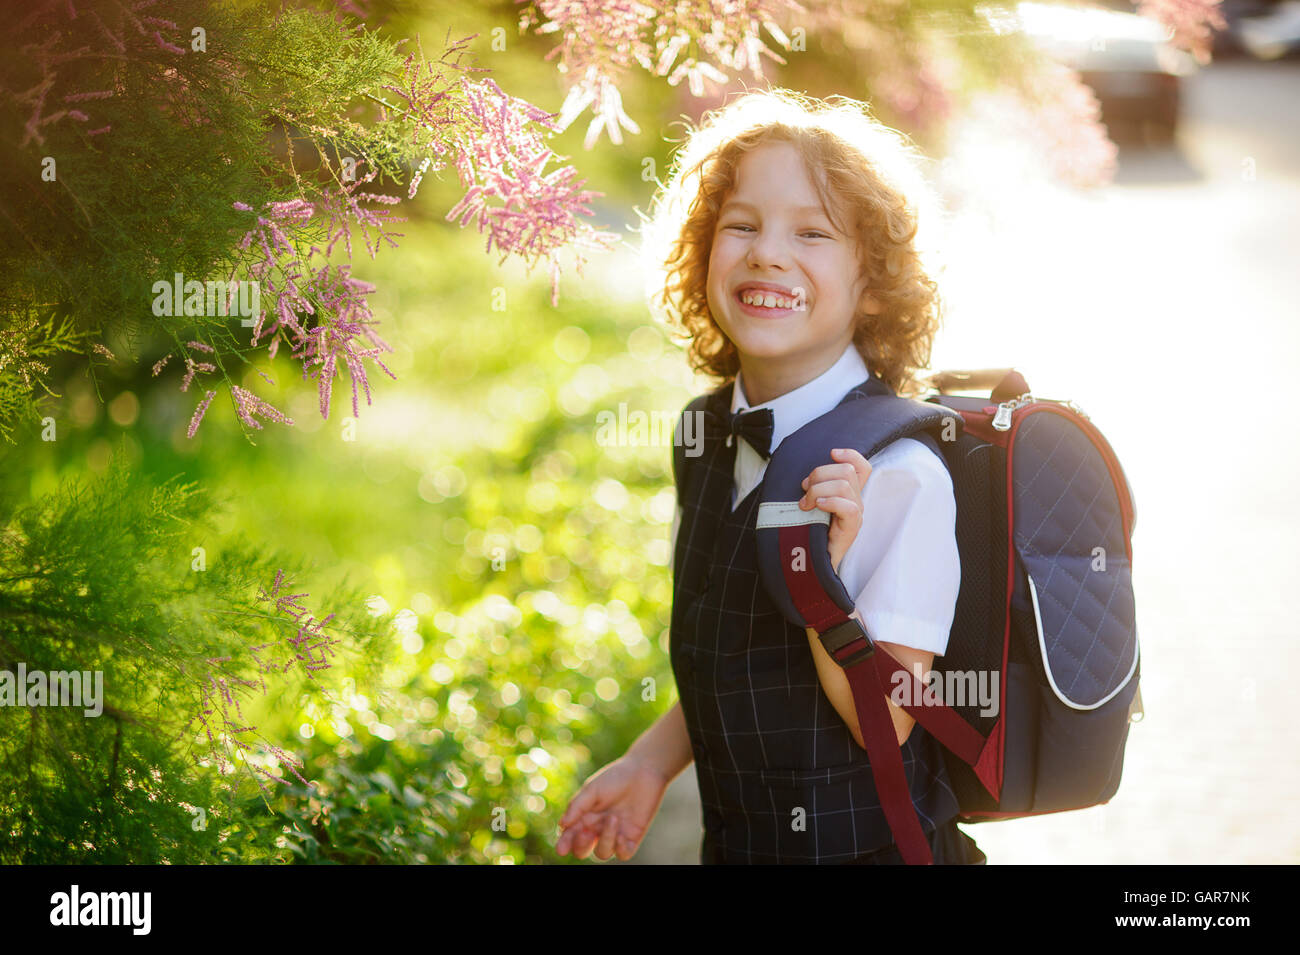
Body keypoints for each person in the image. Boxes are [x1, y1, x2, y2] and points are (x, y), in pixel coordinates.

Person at [555, 88, 984, 865]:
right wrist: (652, 762)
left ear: (876, 284)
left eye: (812, 232)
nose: (767, 253)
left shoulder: (896, 472)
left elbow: (886, 724)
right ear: (701, 252)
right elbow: (737, 655)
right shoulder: (704, 433)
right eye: (741, 225)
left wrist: (823, 581)